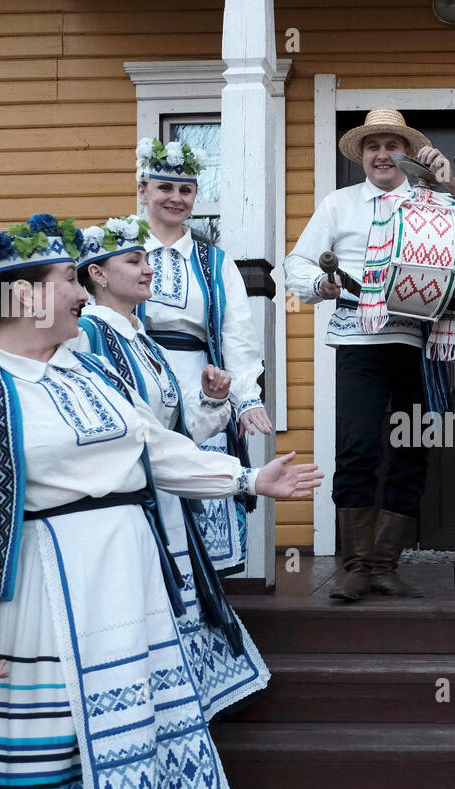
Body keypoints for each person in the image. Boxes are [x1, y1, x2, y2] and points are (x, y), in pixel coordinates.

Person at [0, 215, 322, 789]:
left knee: (123, 736)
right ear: (22, 298)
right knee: (57, 739)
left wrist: (245, 477)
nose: (80, 293)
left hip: (126, 586)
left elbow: (155, 449)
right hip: (51, 596)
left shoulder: (89, 373)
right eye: (68, 279)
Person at [74, 214, 270, 719]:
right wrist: (246, 478)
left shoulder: (145, 343)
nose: (149, 270)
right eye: (135, 260)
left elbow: (176, 434)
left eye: (147, 259)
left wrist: (210, 400)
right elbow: (138, 442)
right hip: (129, 508)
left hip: (161, 502)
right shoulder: (89, 339)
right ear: (96, 274)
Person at [284, 108, 455, 601]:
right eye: (373, 146)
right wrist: (320, 285)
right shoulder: (340, 204)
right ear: (363, 156)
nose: (382, 154)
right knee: (357, 449)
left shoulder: (433, 200)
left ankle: (386, 566)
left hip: (421, 344)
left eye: (393, 145)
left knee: (413, 451)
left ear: (407, 154)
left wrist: (447, 182)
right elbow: (296, 264)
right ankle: (356, 566)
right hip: (359, 342)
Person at [137, 136, 268, 579]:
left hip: (201, 384)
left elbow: (238, 336)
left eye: (186, 190)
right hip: (136, 381)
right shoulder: (120, 253)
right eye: (164, 188)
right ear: (143, 191)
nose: (176, 199)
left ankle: (206, 609)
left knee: (200, 484)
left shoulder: (215, 263)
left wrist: (246, 399)